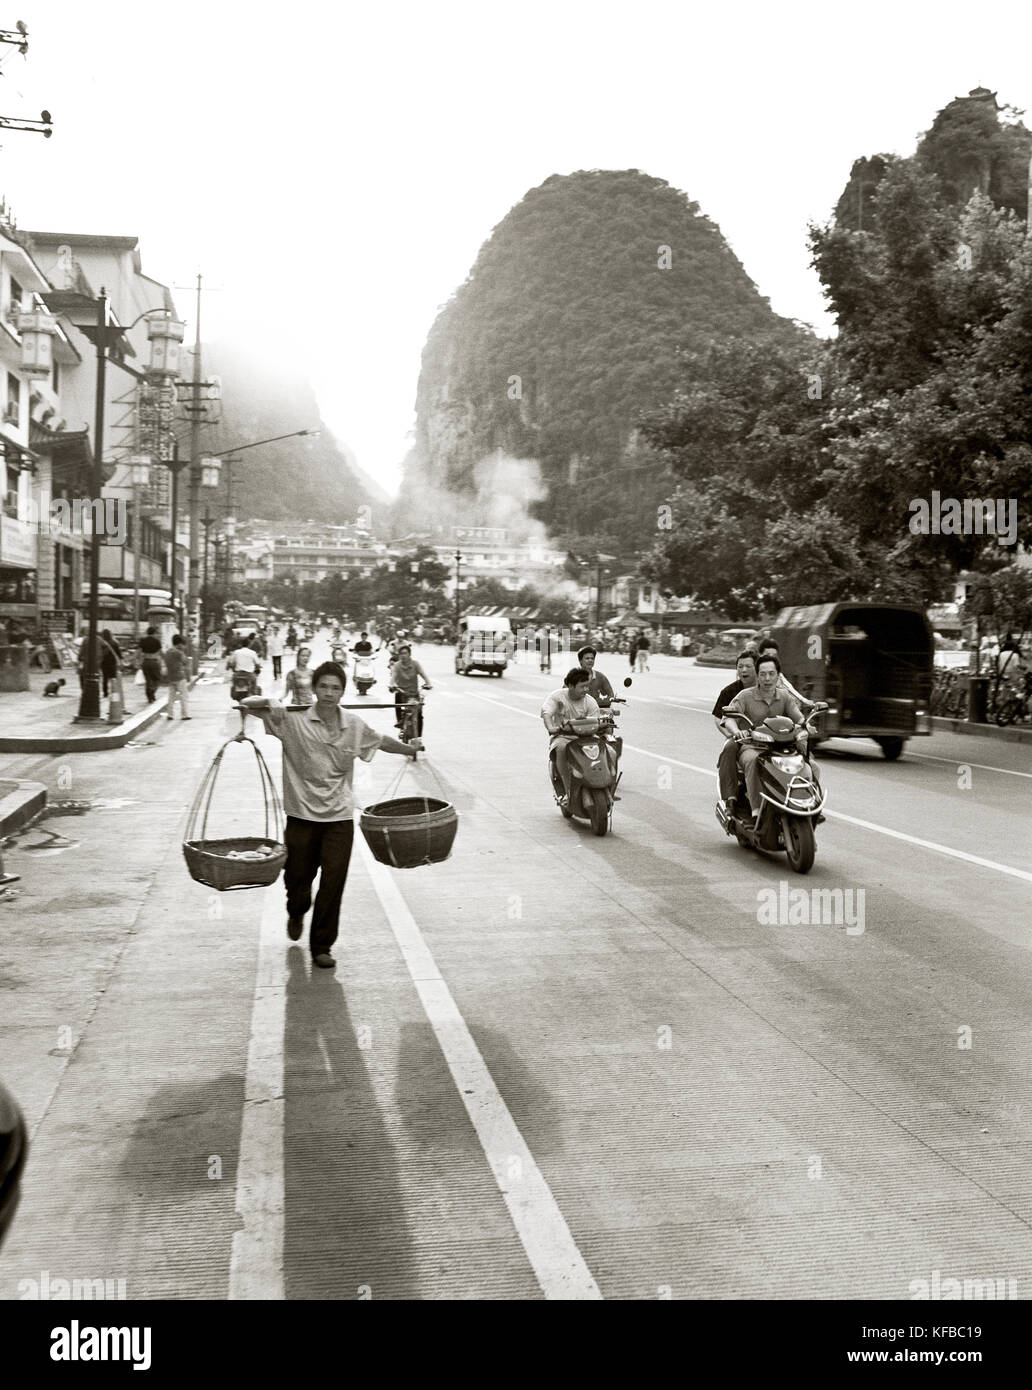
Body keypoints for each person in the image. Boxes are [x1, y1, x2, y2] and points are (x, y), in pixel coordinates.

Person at [242, 661, 423, 969]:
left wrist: (410, 748)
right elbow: (246, 705)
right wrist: (269, 701)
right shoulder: (291, 720)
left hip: (338, 817)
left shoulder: (352, 725)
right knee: (298, 878)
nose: (329, 693)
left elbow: (380, 741)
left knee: (333, 881)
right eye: (323, 686)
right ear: (314, 689)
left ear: (342, 691)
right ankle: (297, 909)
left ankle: (322, 945)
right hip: (301, 816)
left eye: (335, 688)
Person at [723, 654, 821, 825]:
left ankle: (810, 804)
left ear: (778, 675)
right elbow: (729, 717)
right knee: (754, 761)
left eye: (771, 674)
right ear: (757, 675)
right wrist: (736, 731)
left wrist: (806, 725)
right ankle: (755, 811)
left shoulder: (784, 696)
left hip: (781, 747)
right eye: (763, 674)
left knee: (812, 767)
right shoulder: (745, 696)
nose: (767, 678)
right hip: (753, 747)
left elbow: (798, 717)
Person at [540, 666, 601, 807]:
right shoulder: (557, 696)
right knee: (561, 749)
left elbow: (596, 720)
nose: (586, 690)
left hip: (587, 739)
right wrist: (551, 727)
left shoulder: (590, 701)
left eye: (587, 686)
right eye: (582, 686)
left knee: (609, 751)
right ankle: (567, 789)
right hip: (563, 737)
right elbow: (546, 713)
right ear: (570, 686)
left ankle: (605, 788)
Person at [713, 651, 758, 809]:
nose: (743, 670)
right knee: (729, 748)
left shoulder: (769, 690)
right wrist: (732, 734)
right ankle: (730, 797)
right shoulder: (730, 692)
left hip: (767, 737)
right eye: (740, 667)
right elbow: (719, 718)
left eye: (748, 666)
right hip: (739, 736)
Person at [755, 638, 814, 712]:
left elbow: (789, 688)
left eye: (774, 655)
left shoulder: (777, 674)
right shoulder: (753, 671)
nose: (771, 658)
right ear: (760, 655)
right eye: (768, 655)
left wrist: (803, 700)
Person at [388, 643, 432, 734]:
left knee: (419, 714)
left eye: (405, 653)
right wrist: (392, 685)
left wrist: (428, 684)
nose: (403, 655)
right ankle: (400, 721)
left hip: (414, 694)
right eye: (401, 654)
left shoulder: (415, 664)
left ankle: (419, 737)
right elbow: (393, 677)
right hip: (402, 692)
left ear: (409, 654)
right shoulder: (396, 666)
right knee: (397, 698)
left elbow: (424, 675)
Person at [163, 633, 191, 720]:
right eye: (183, 644)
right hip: (179, 677)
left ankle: (170, 714)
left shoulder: (167, 652)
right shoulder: (178, 653)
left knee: (171, 697)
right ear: (179, 644)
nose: (183, 646)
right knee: (183, 696)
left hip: (171, 677)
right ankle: (184, 715)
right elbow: (186, 661)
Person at [138, 626, 163, 704]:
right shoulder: (157, 641)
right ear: (154, 633)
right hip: (154, 662)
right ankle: (152, 691)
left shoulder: (143, 641)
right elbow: (161, 652)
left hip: (145, 662)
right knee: (157, 679)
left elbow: (139, 652)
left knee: (148, 680)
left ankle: (149, 696)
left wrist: (138, 661)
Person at [99, 629, 122, 697]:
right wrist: (120, 661)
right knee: (113, 678)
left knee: (105, 678)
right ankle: (114, 692)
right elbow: (119, 654)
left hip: (104, 662)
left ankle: (105, 692)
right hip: (112, 662)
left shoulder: (102, 643)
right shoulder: (114, 643)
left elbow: (99, 653)